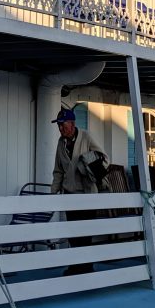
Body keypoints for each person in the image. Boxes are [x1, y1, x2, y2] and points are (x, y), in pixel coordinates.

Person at [50, 107, 110, 275]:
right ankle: (76, 266)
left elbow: (105, 159)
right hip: (70, 194)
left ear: (72, 124)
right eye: (59, 125)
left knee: (85, 232)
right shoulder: (61, 143)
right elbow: (58, 170)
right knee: (73, 233)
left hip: (87, 194)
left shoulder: (86, 137)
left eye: (63, 125)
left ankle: (86, 267)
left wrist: (88, 165)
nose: (60, 129)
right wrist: (53, 193)